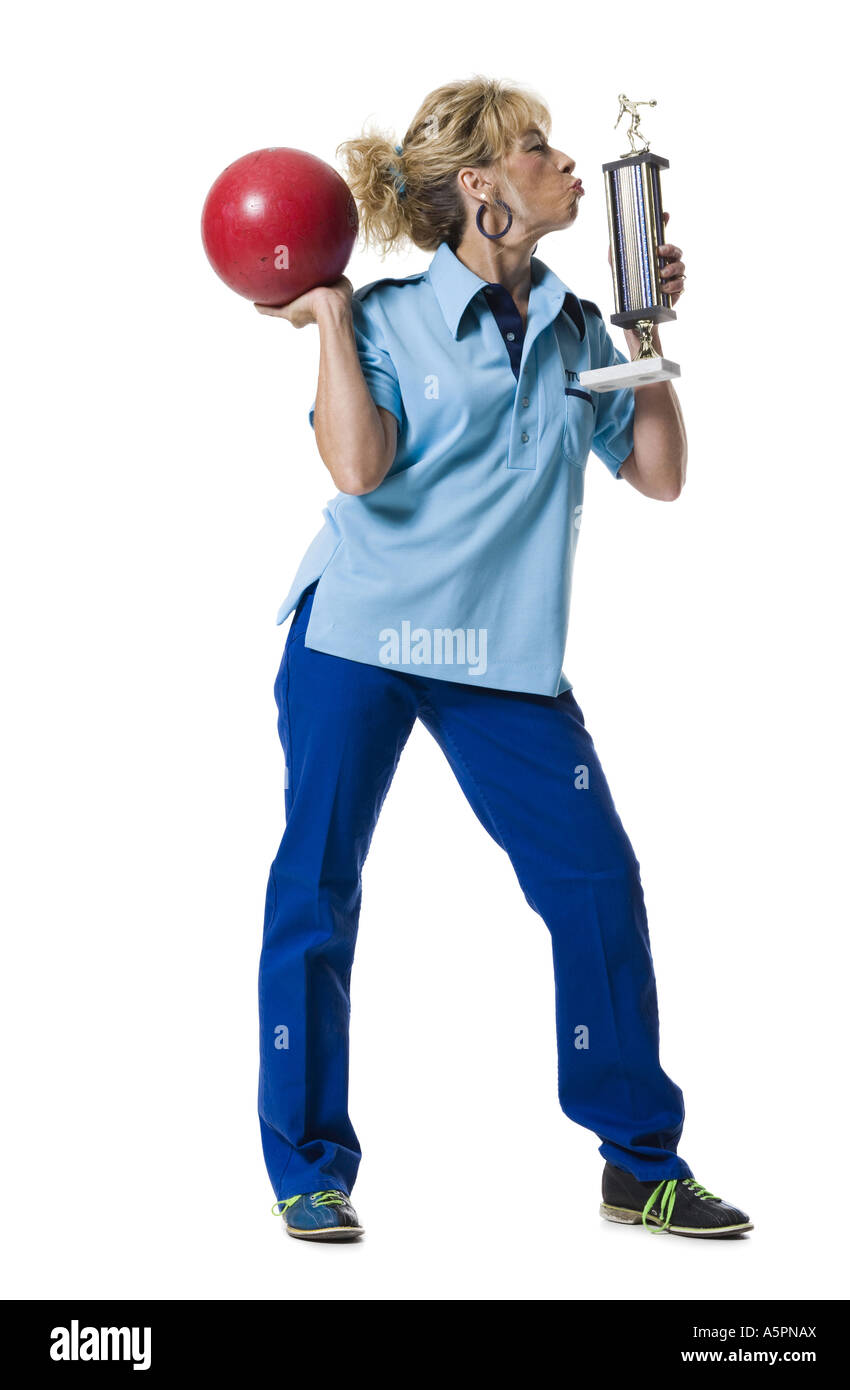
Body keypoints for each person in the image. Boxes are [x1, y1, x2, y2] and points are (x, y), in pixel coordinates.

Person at [255, 76, 752, 1242]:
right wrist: (328, 318)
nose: (566, 165)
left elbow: (663, 476)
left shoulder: (581, 328)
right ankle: (307, 1166)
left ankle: (639, 1162)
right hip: (359, 639)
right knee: (316, 893)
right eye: (537, 149)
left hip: (500, 658)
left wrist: (645, 330)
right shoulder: (380, 318)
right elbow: (358, 470)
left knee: (593, 883)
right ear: (478, 188)